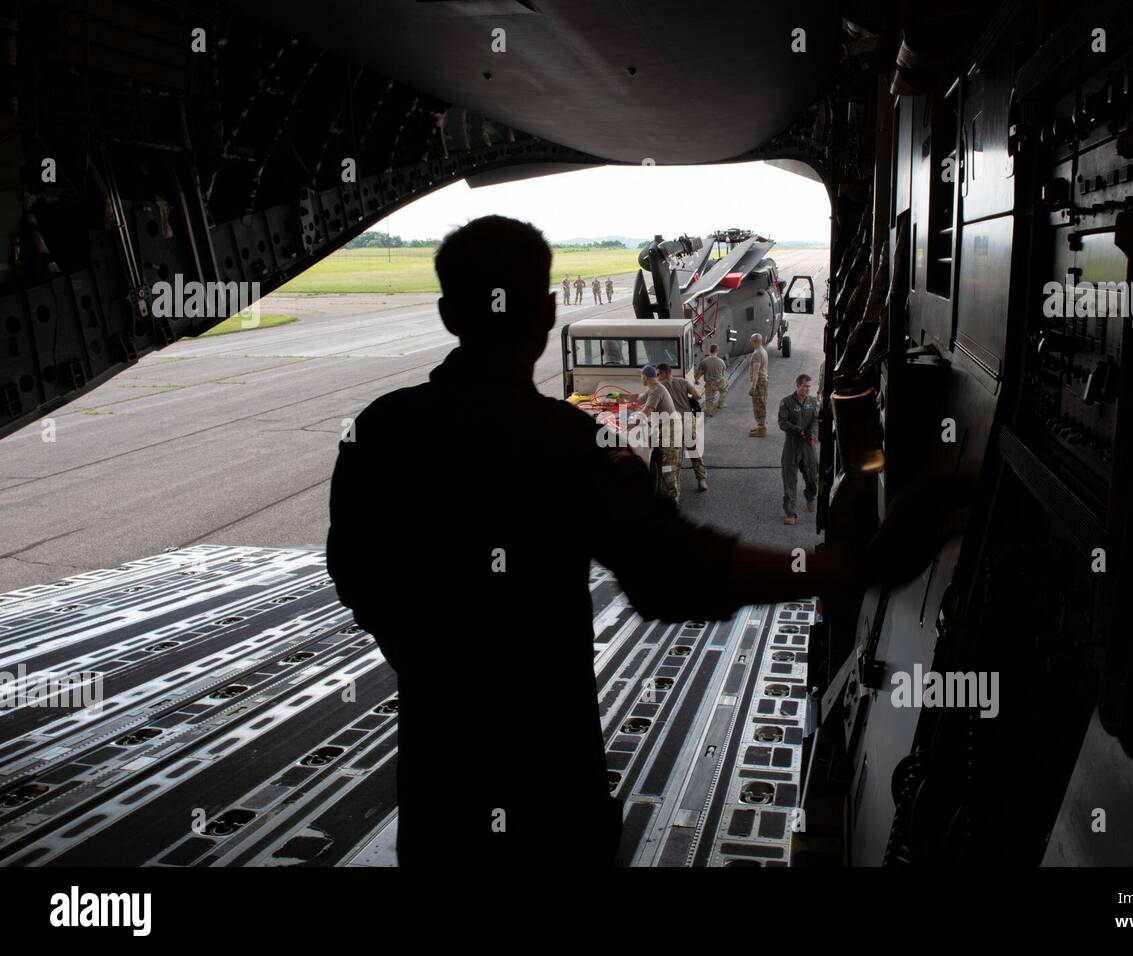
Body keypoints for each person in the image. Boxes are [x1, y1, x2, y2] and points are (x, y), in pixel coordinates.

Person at [326, 215, 945, 868]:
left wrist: (430, 652)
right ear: (544, 313)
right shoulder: (563, 443)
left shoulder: (378, 432)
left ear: (449, 313)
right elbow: (676, 573)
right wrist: (848, 566)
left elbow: (354, 574)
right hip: (553, 795)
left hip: (440, 798)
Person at [657, 363, 707, 492]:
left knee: (674, 456)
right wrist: (687, 398)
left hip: (672, 424)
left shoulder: (659, 387)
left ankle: (674, 487)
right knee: (693, 450)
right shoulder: (683, 382)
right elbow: (697, 395)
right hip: (688, 419)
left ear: (665, 373)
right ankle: (701, 479)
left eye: (658, 374)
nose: (657, 377)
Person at [778, 374, 819, 525]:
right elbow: (783, 423)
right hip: (792, 445)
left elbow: (815, 420)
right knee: (789, 480)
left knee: (812, 477)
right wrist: (799, 430)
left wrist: (813, 434)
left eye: (809, 386)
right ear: (797, 386)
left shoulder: (813, 402)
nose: (808, 389)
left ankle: (810, 497)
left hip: (808, 446)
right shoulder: (786, 402)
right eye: (805, 386)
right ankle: (790, 513)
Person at [638, 363, 681, 504]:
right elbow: (638, 398)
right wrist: (619, 395)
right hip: (668, 427)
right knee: (669, 465)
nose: (640, 378)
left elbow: (647, 411)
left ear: (645, 377)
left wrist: (631, 422)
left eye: (641, 376)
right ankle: (671, 494)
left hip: (671, 430)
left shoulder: (656, 390)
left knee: (668, 467)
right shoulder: (653, 388)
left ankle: (673, 501)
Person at [695, 343, 728, 416]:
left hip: (710, 383)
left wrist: (696, 380)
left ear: (709, 351)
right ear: (717, 351)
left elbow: (699, 373)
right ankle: (721, 403)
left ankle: (710, 412)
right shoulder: (721, 361)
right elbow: (723, 373)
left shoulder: (704, 362)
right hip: (720, 381)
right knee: (724, 389)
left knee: (709, 399)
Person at [748, 332, 769, 437]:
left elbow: (756, 372)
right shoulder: (763, 351)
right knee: (762, 403)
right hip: (763, 381)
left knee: (758, 405)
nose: (750, 342)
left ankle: (761, 429)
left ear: (755, 341)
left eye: (751, 341)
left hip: (759, 383)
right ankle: (761, 426)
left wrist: (753, 387)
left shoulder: (756, 354)